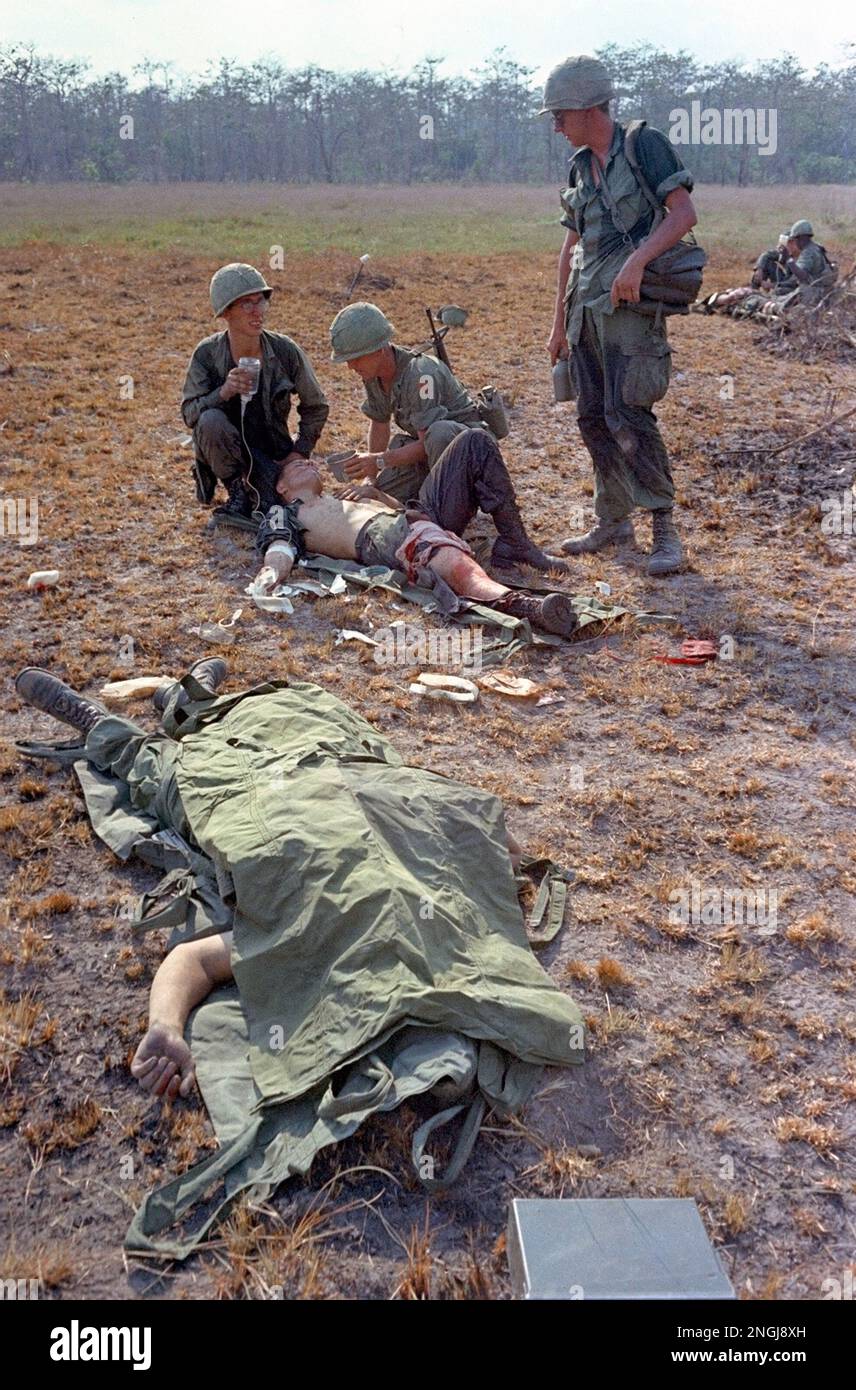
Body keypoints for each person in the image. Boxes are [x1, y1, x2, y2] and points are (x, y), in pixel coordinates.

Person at [13, 663, 583, 1114]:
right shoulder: (459, 912)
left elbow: (194, 962)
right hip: (337, 767)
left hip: (244, 801)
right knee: (289, 719)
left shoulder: (301, 948)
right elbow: (473, 825)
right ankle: (190, 701)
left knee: (156, 773)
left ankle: (98, 724)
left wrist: (165, 1026)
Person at [543, 56, 698, 575]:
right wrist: (557, 322)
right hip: (586, 311)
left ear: (590, 108)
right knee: (592, 418)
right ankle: (613, 520)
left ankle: (664, 530)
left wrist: (637, 261)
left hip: (631, 311)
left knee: (629, 417)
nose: (556, 124)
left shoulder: (643, 146)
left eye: (561, 114)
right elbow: (570, 249)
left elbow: (683, 214)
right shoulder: (579, 166)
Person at [253, 434, 578, 637]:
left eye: (310, 462)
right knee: (456, 565)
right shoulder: (288, 512)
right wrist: (269, 577)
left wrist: (376, 495)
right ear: (282, 487)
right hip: (384, 537)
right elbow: (280, 547)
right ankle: (524, 606)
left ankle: (515, 543)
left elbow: (398, 510)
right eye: (297, 468)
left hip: (410, 518)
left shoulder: (340, 498)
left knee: (474, 441)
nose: (309, 464)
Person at [328, 302, 561, 572]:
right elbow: (379, 424)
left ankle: (469, 522)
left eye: (356, 358)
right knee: (378, 498)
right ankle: (431, 508)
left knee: (438, 434)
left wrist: (379, 461)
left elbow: (430, 442)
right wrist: (371, 479)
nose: (350, 366)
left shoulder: (421, 374)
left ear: (380, 349)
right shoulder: (374, 374)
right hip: (429, 452)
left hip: (468, 454)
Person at [181, 263, 330, 521]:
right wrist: (224, 392)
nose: (257, 312)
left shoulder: (285, 350)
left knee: (277, 508)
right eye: (246, 304)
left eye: (260, 302)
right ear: (226, 312)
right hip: (230, 451)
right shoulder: (207, 354)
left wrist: (299, 452)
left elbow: (316, 405)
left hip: (274, 453)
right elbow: (190, 415)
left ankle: (257, 487)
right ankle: (236, 489)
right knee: (209, 420)